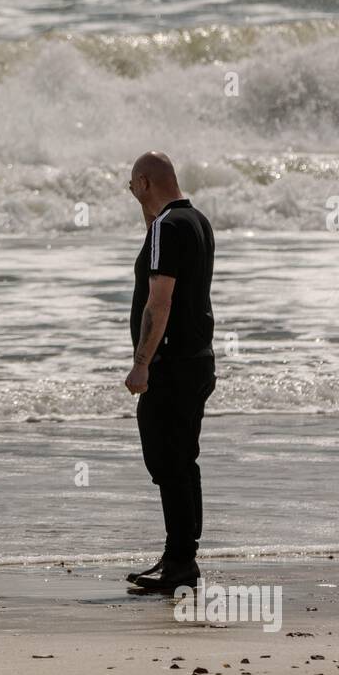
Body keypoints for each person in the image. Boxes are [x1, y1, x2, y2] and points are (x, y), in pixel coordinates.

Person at [123, 152, 216, 590]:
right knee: (183, 461)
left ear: (143, 182)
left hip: (170, 363)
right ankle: (181, 555)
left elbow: (160, 301)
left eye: (131, 185)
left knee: (167, 461)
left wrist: (141, 363)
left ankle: (180, 560)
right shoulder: (195, 221)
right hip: (197, 359)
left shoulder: (166, 227)